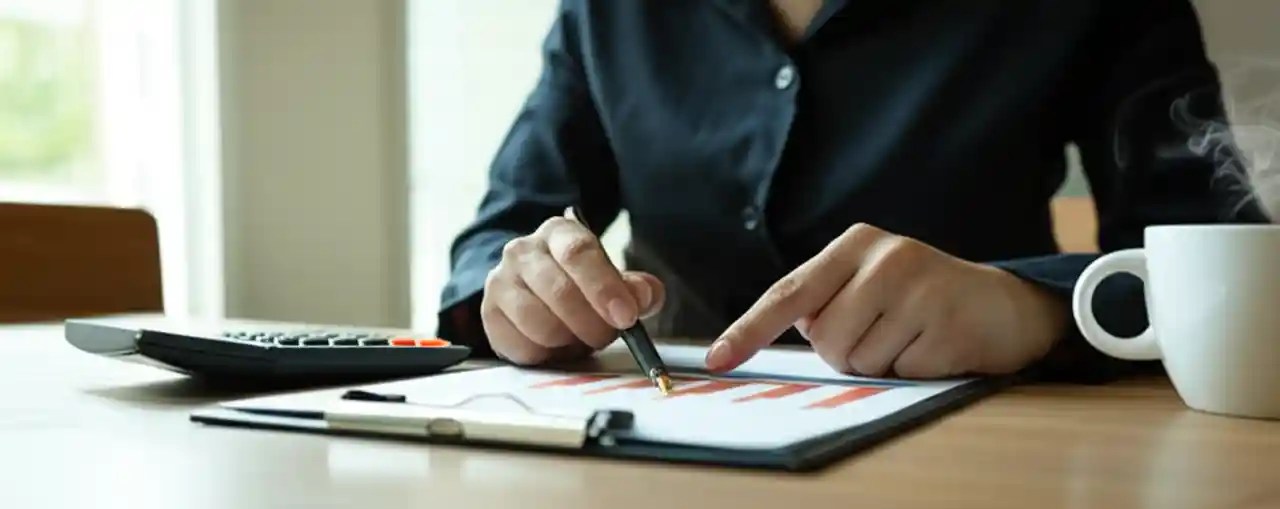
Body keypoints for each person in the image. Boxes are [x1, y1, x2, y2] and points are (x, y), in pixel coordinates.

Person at [437, 0, 1268, 381]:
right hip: (661, 457)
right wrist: (520, 294)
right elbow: (502, 234)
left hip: (976, 470)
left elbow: (1230, 274)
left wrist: (1035, 308)